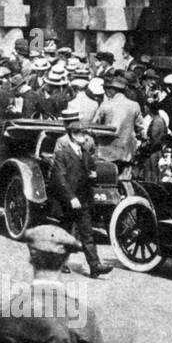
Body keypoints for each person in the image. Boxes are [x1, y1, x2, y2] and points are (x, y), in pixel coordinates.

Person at [49, 103, 113, 278]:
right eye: (81, 134)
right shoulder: (63, 152)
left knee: (87, 233)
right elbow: (59, 178)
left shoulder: (85, 152)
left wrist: (92, 175)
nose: (85, 137)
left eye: (85, 134)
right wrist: (70, 198)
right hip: (67, 200)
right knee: (64, 232)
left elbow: (91, 169)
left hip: (83, 198)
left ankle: (95, 266)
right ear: (72, 135)